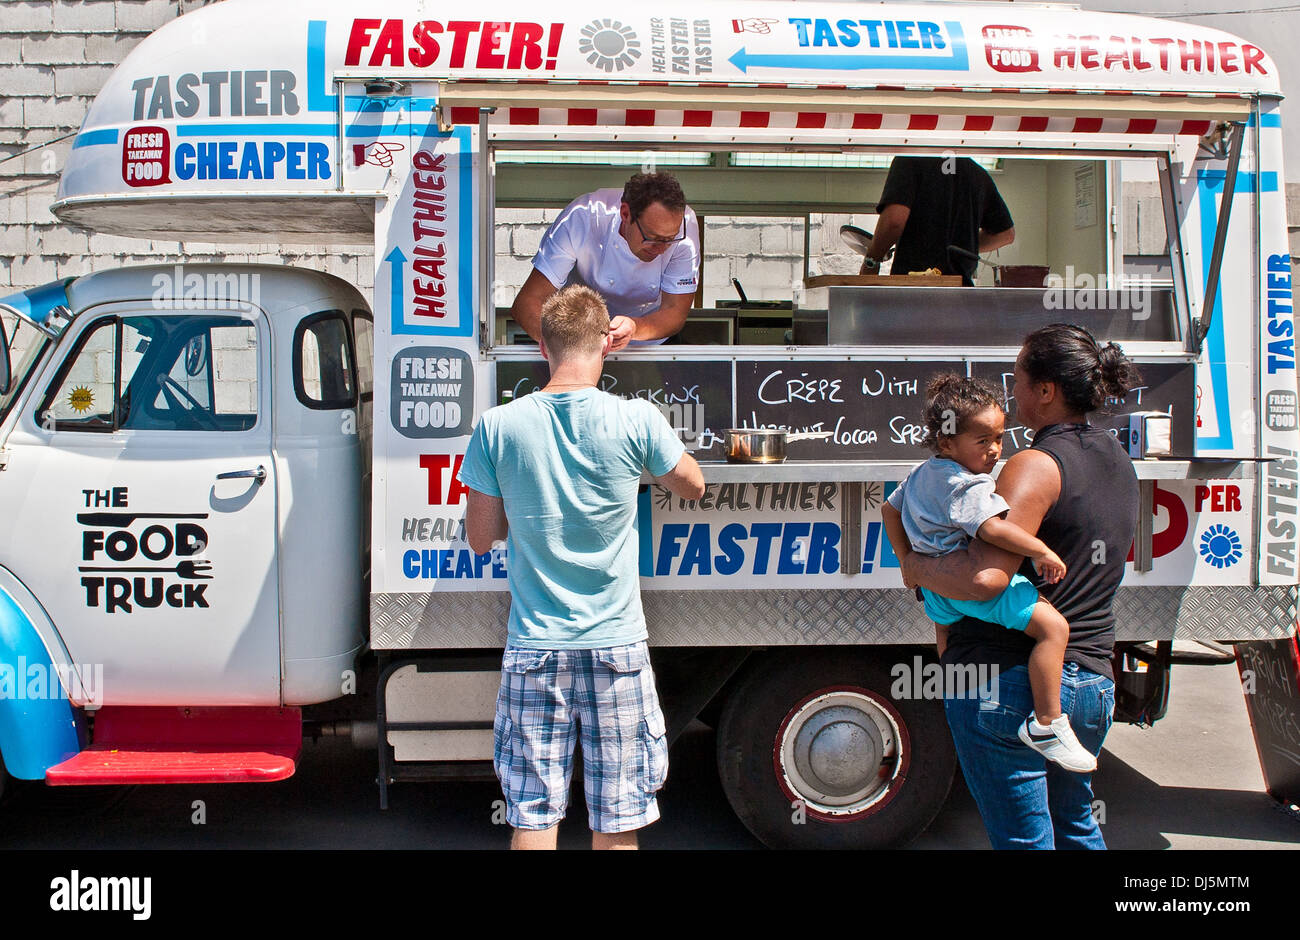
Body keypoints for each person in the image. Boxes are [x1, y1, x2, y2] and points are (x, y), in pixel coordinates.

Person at [459, 284, 705, 850]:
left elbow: (479, 539)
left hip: (535, 645)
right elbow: (693, 485)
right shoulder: (637, 419)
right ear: (604, 344)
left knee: (533, 813)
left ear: (541, 344)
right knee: (617, 818)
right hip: (616, 645)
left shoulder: (498, 427)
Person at [888, 324, 1140, 849]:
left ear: (1046, 390)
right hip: (1092, 681)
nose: (1014, 386)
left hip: (1004, 683)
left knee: (1023, 841)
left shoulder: (1031, 466)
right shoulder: (1117, 459)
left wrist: (914, 567)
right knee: (1077, 826)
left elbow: (985, 579)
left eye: (1020, 374)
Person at [882, 374, 1096, 773]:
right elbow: (993, 530)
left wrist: (907, 561)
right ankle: (1048, 723)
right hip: (966, 587)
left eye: (999, 438)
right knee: (1054, 630)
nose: (995, 450)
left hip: (936, 596)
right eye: (983, 441)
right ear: (947, 441)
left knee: (949, 639)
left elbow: (889, 511)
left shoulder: (920, 474)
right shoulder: (969, 485)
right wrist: (1042, 550)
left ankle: (957, 699)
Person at [511, 171, 700, 350]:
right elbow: (527, 302)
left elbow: (675, 311)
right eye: (652, 237)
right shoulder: (583, 216)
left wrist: (635, 327)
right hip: (575, 341)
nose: (661, 249)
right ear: (625, 214)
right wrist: (559, 347)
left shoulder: (686, 231)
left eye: (670, 239)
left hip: (650, 341)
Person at [860, 155, 1015, 286]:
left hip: (913, 290)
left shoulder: (909, 159)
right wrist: (962, 245)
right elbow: (1006, 234)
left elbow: (894, 220)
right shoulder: (977, 174)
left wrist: (871, 261)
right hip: (961, 294)